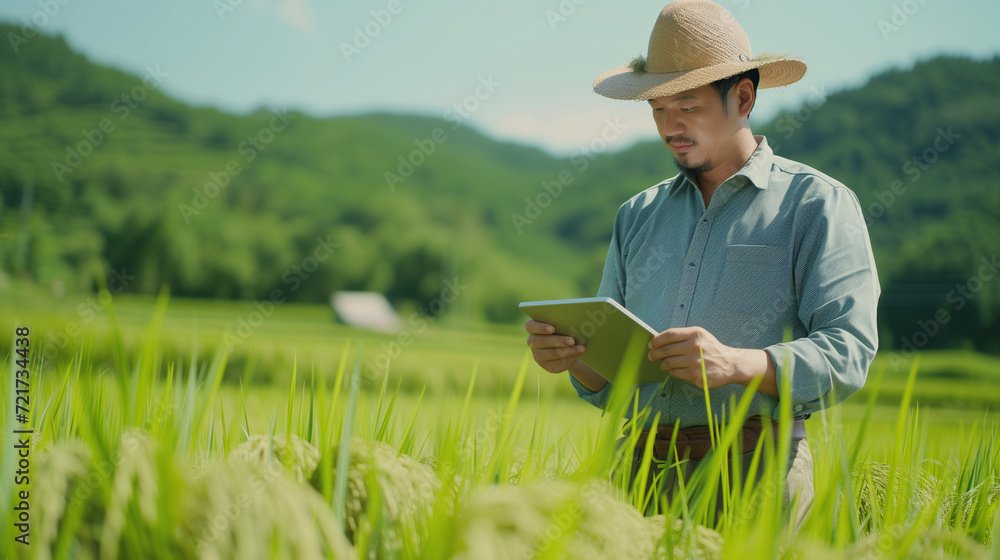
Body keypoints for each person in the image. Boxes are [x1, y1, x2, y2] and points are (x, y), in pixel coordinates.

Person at [524, 0, 880, 522]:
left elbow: (849, 352)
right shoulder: (637, 215)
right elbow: (613, 380)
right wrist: (572, 356)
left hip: (757, 473)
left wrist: (737, 363)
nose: (670, 126)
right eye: (658, 110)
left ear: (742, 96)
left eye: (687, 106)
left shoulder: (816, 204)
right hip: (636, 476)